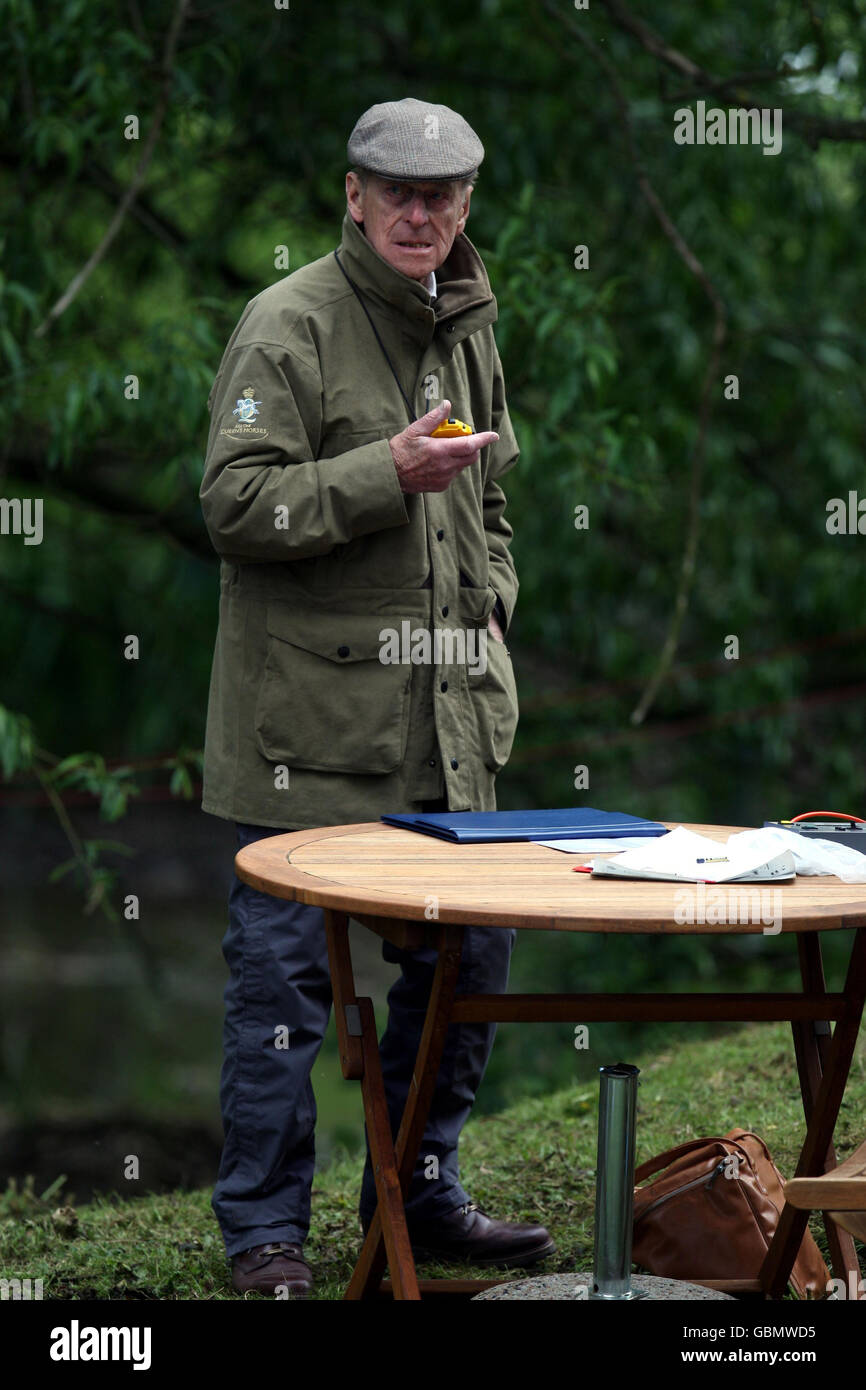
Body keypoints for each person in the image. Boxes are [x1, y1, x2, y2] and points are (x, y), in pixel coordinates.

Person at [199, 97, 554, 1297]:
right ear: (351, 194)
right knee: (286, 991)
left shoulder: (466, 320)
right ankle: (263, 1233)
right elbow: (236, 508)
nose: (421, 212)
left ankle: (419, 1191)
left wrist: (494, 597)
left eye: (443, 194)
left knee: (473, 962)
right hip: (305, 736)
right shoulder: (284, 322)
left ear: (466, 203)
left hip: (447, 730)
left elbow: (493, 503)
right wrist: (380, 473)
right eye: (396, 192)